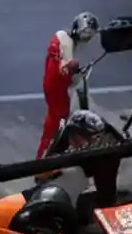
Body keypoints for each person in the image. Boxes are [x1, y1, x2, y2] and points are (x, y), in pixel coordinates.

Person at [39, 12, 98, 159]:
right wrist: (73, 69)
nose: (87, 39)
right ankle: (45, 163)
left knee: (54, 122)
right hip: (58, 89)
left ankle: (47, 158)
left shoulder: (63, 38)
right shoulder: (65, 43)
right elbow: (65, 68)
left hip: (54, 87)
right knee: (58, 124)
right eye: (86, 35)